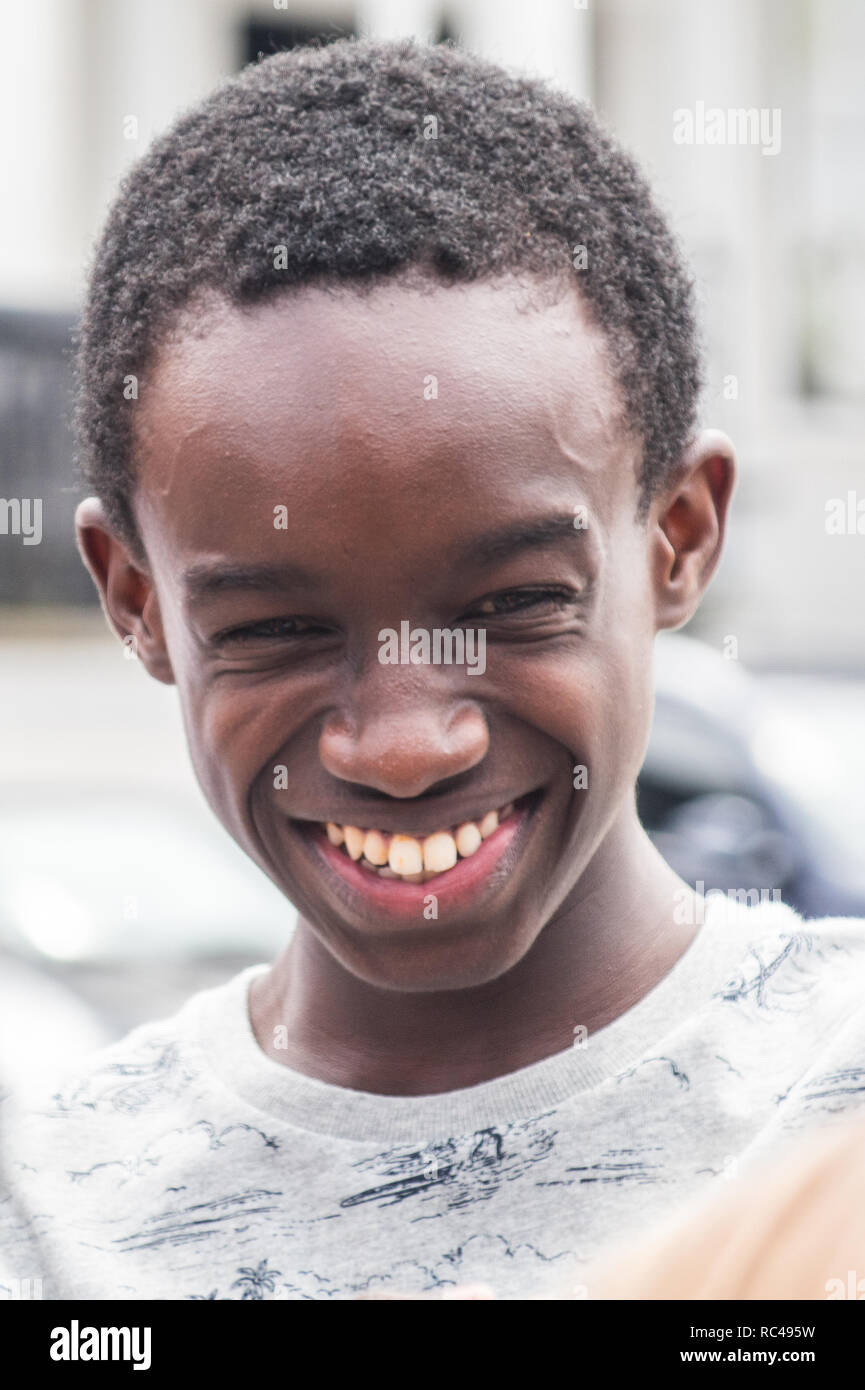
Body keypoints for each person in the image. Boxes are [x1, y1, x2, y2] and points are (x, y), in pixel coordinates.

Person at [2, 37, 864, 1303]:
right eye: (274, 631)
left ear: (678, 538)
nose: (402, 744)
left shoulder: (833, 1119)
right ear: (136, 601)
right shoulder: (49, 1226)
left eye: (515, 603)